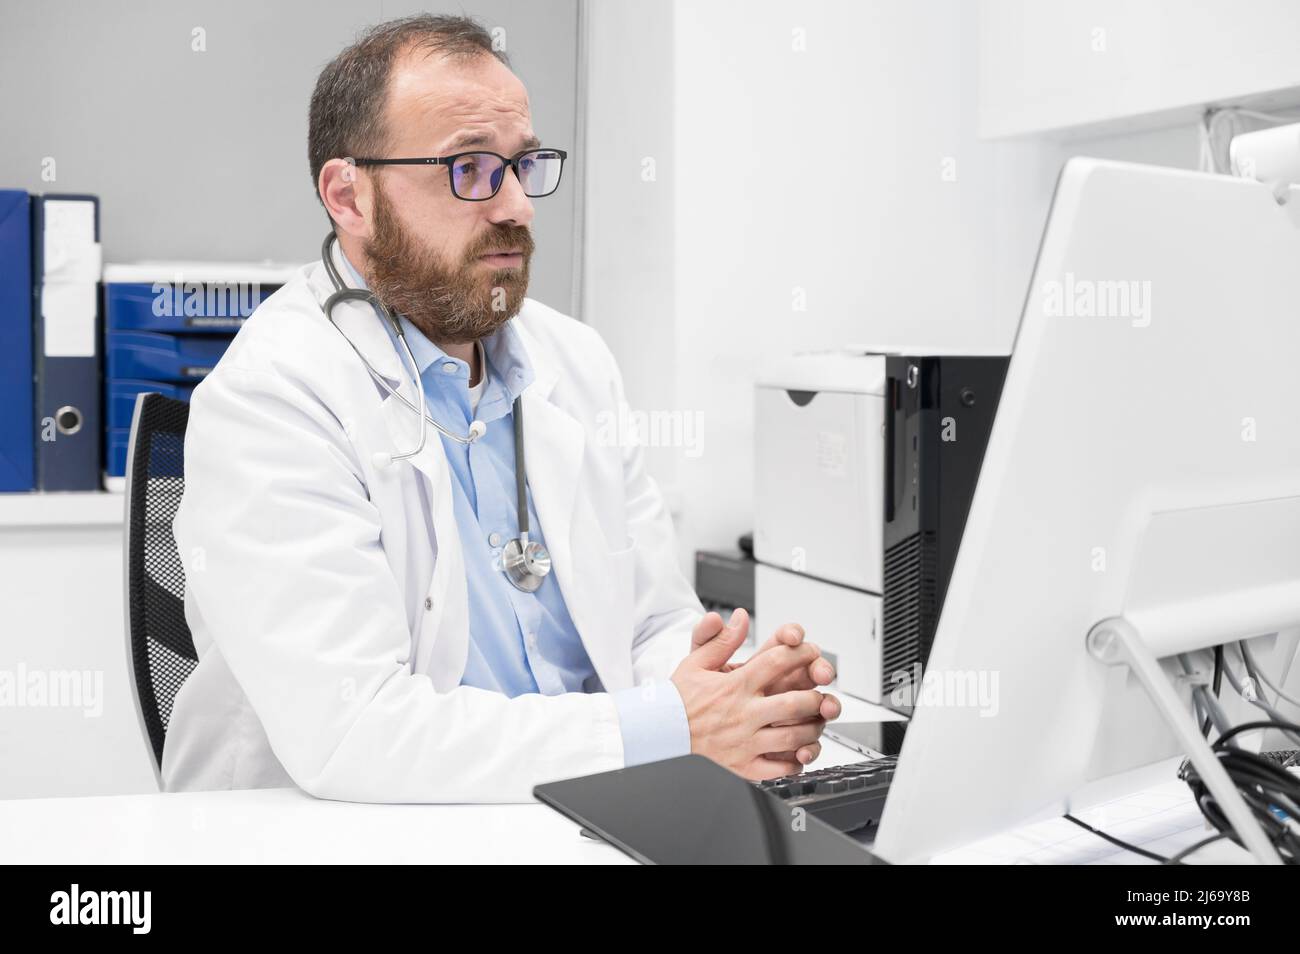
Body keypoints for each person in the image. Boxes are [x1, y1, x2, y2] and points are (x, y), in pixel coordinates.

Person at [162, 14, 839, 802]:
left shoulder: (576, 363)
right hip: (348, 834)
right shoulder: (272, 400)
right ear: (348, 194)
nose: (516, 204)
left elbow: (652, 626)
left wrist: (736, 698)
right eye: (470, 169)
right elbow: (357, 735)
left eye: (523, 165)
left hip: (575, 807)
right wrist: (669, 726)